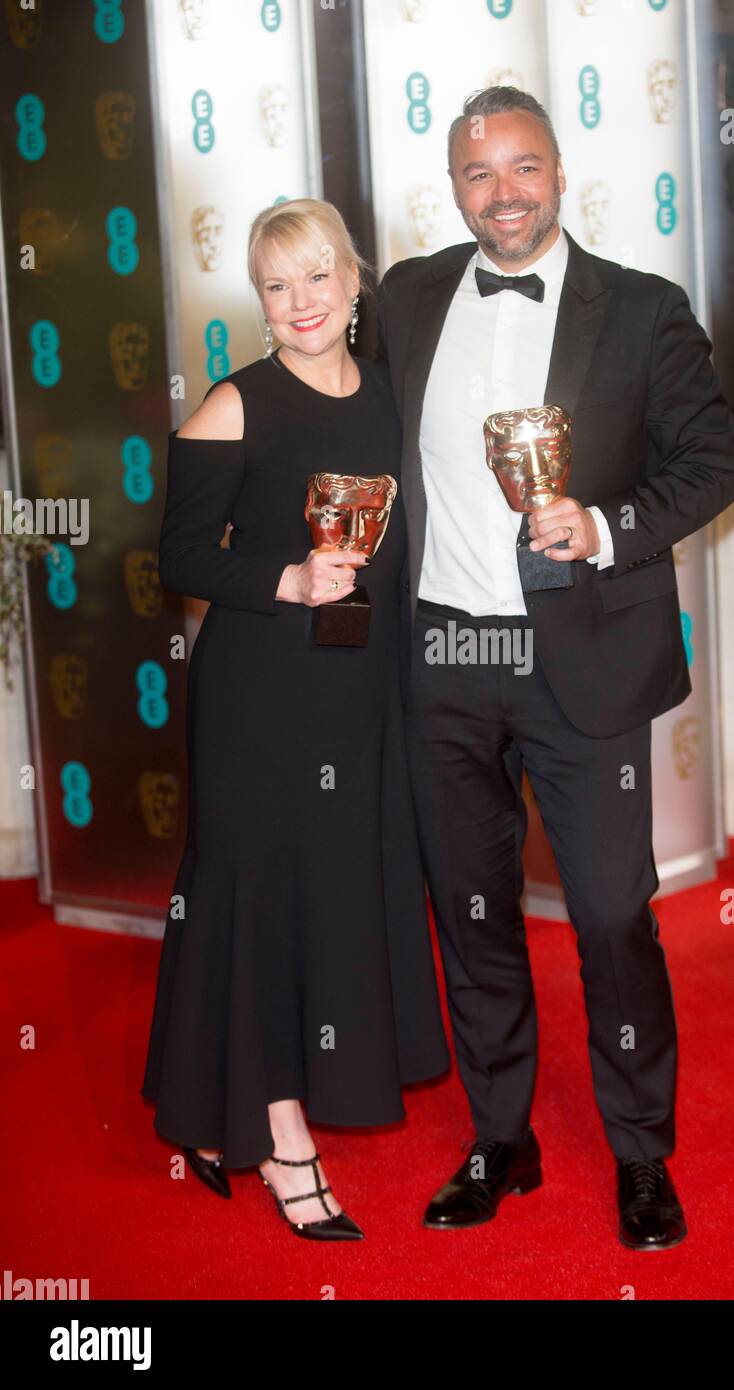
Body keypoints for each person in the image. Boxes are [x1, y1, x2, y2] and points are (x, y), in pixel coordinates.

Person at [375, 87, 734, 1249]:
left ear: (558, 170)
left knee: (607, 913)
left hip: (577, 653)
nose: (504, 195)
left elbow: (709, 465)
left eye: (523, 168)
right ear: (453, 188)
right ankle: (502, 1137)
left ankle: (641, 1153)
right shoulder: (404, 296)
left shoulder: (640, 309)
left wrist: (604, 523)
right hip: (444, 647)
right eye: (479, 174)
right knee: (472, 910)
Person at [142, 197, 450, 1241]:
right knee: (252, 893)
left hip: (357, 687)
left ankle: (212, 1102)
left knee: (330, 883)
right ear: (259, 301)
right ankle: (280, 1137)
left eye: (316, 277)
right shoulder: (234, 405)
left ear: (354, 279)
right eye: (276, 285)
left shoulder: (387, 399)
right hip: (258, 694)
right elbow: (179, 556)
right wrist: (285, 576)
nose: (299, 302)